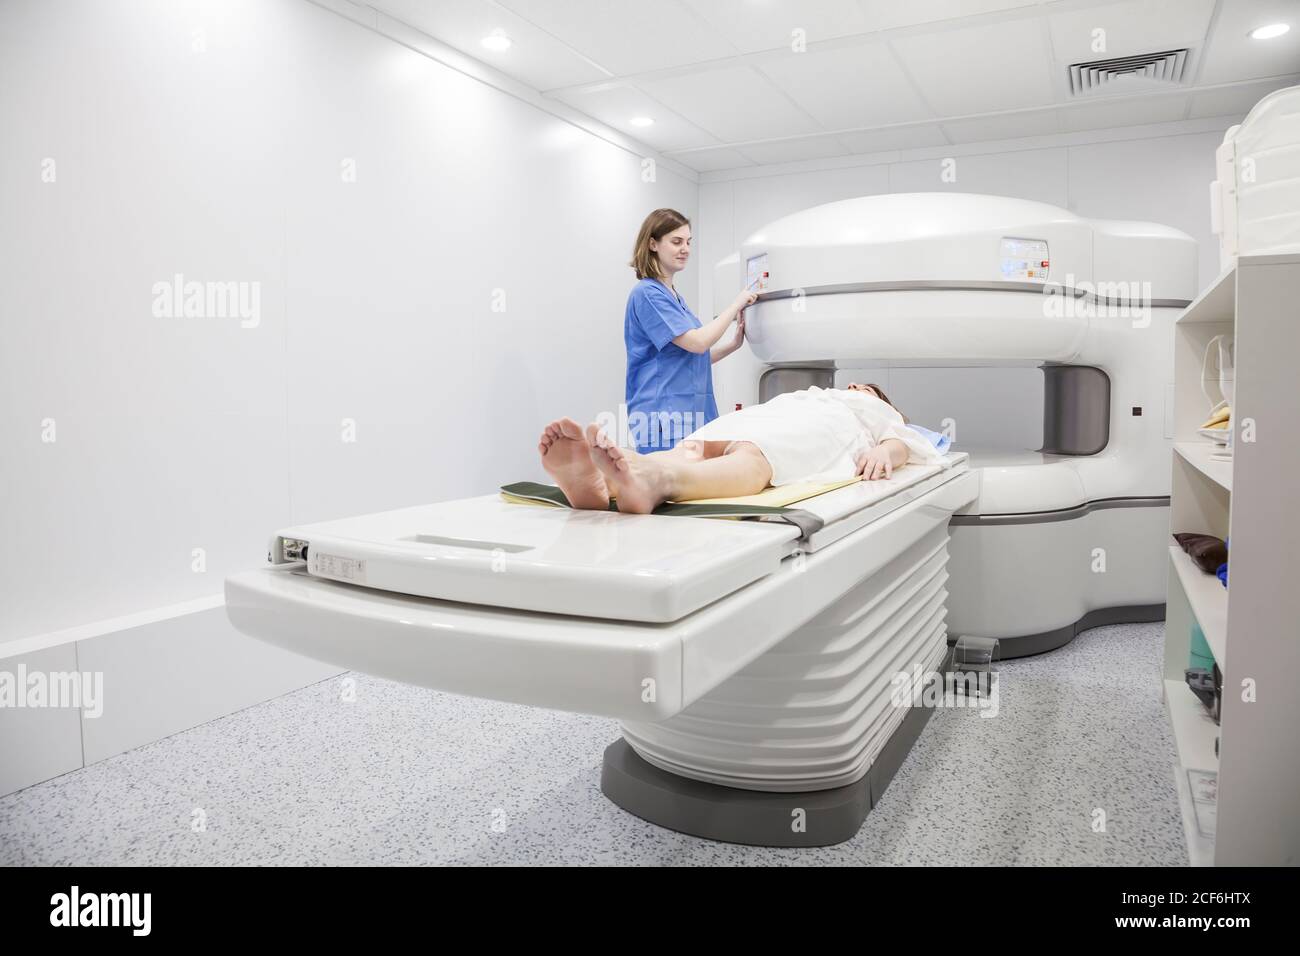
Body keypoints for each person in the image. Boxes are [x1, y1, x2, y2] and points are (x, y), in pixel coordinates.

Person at [536, 383, 943, 514]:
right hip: (765, 414)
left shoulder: (871, 410)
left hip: (814, 428)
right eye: (856, 384)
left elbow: (901, 443)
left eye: (865, 387)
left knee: (755, 455)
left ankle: (653, 480)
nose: (856, 387)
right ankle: (607, 480)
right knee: (693, 447)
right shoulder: (814, 392)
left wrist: (884, 453)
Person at [624, 208, 756, 453]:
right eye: (676, 242)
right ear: (653, 244)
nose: (685, 249)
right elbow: (697, 343)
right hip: (664, 416)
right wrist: (736, 303)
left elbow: (689, 358)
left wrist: (732, 345)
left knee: (698, 483)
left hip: (692, 413)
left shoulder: (674, 297)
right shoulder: (648, 294)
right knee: (669, 485)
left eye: (688, 242)